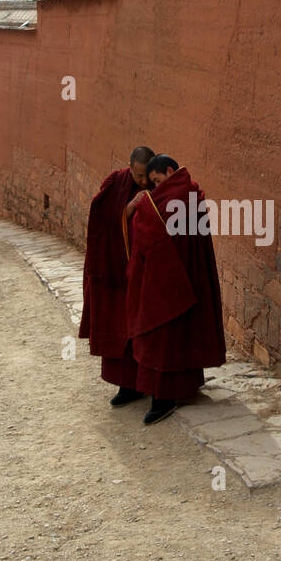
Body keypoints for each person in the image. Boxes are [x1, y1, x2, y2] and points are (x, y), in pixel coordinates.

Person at [124, 154, 226, 424]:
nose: (155, 187)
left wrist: (140, 209)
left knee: (164, 333)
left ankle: (165, 395)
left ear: (169, 171)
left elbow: (154, 227)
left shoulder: (178, 196)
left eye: (157, 180)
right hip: (187, 275)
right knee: (183, 333)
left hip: (171, 278)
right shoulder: (189, 191)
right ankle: (185, 385)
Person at [79, 146, 154, 406]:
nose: (144, 182)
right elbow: (100, 221)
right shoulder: (115, 183)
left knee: (146, 329)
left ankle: (151, 383)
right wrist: (129, 208)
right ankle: (127, 385)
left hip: (146, 273)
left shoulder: (158, 184)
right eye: (139, 176)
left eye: (147, 177)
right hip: (117, 272)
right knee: (120, 328)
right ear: (130, 168)